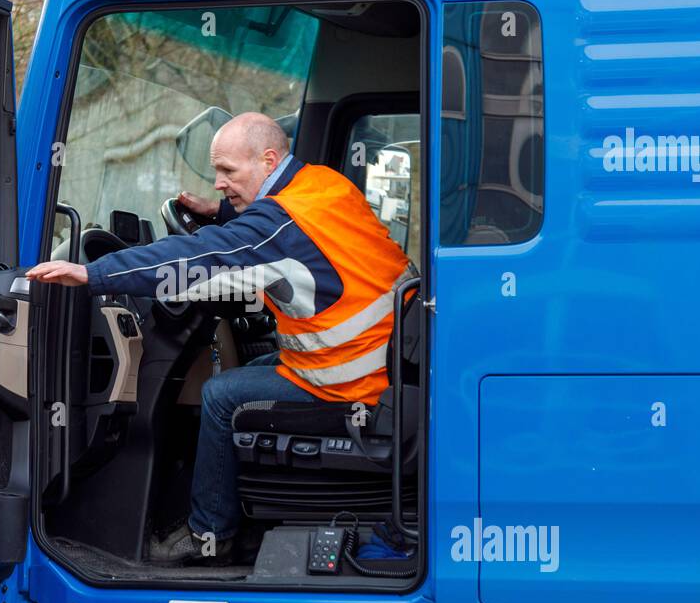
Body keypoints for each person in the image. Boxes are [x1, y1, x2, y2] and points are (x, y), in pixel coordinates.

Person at [27, 112, 414, 564]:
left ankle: (210, 533)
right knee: (249, 372)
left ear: (268, 160)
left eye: (229, 172)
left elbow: (197, 255)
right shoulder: (322, 184)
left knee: (220, 394)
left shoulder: (276, 226)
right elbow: (270, 229)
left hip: (351, 382)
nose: (218, 183)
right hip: (383, 360)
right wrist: (223, 213)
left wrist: (94, 273)